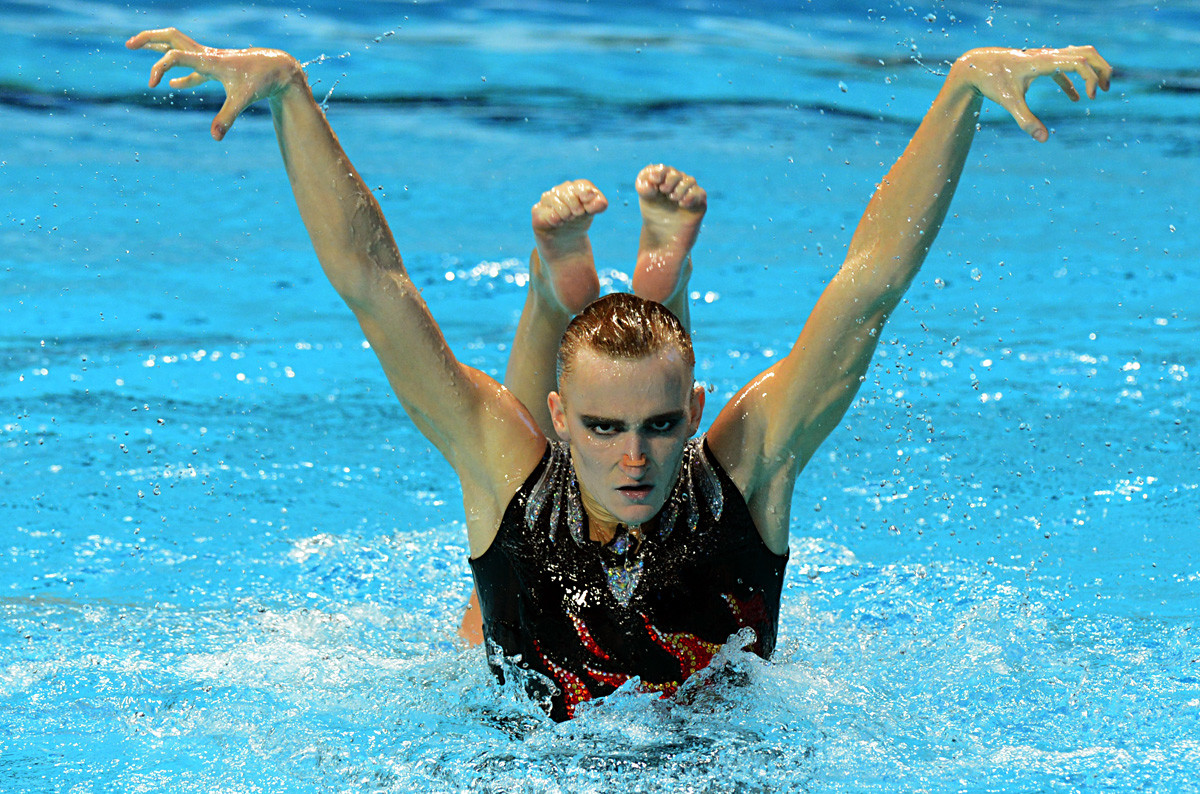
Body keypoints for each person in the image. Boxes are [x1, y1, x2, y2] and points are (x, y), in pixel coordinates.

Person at [127, 28, 1112, 721]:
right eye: (600, 429)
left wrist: (963, 88)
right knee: (482, 605)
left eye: (655, 426)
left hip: (699, 731)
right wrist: (292, 94)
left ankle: (604, 287)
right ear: (565, 420)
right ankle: (577, 288)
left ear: (691, 413)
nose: (633, 458)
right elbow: (378, 289)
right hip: (523, 702)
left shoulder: (748, 466)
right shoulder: (520, 459)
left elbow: (867, 291)